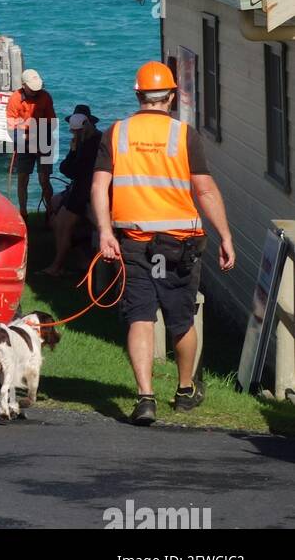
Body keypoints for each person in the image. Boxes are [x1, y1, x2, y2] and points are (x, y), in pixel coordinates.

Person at [92, 61, 235, 427]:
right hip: (180, 244)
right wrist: (226, 236)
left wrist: (105, 232)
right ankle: (186, 389)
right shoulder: (184, 135)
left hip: (133, 242)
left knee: (139, 316)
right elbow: (204, 190)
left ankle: (144, 396)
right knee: (181, 319)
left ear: (138, 95)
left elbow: (99, 187)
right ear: (170, 96)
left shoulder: (116, 133)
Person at [41, 104, 101, 276]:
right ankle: (77, 258)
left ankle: (57, 266)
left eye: (77, 131)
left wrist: (74, 152)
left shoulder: (93, 144)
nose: (74, 135)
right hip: (80, 188)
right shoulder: (83, 140)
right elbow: (68, 169)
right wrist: (74, 151)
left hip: (86, 190)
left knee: (63, 224)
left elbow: (73, 170)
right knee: (56, 215)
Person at [6, 68, 56, 218]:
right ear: (23, 85)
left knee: (44, 179)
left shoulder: (45, 97)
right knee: (23, 178)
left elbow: (51, 123)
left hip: (43, 139)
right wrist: (28, 144)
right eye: (32, 89)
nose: (35, 92)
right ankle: (23, 212)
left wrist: (39, 142)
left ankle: (50, 211)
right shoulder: (15, 99)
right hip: (23, 142)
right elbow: (11, 128)